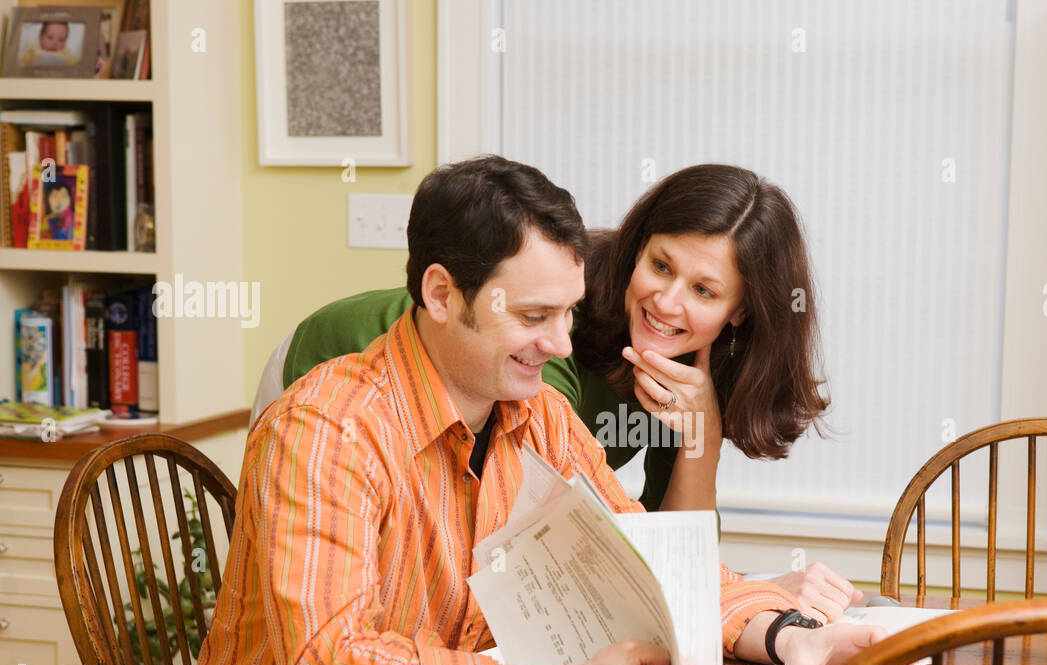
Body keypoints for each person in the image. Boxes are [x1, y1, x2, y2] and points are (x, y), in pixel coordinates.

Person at [177, 156, 915, 665]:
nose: (562, 343)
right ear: (441, 295)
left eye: (567, 312)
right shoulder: (326, 432)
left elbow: (648, 557)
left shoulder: (539, 417)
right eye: (534, 315)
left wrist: (787, 633)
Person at [263, 164, 861, 623]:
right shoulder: (556, 340)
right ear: (638, 246)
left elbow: (667, 546)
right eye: (660, 265)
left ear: (740, 314)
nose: (667, 301)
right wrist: (750, 592)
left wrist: (701, 439)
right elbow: (559, 535)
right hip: (331, 353)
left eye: (704, 291)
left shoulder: (688, 371)